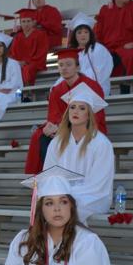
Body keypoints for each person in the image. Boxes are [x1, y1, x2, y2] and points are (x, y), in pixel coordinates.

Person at [24, 49, 107, 174]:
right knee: (40, 136)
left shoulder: (91, 86)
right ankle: (50, 177)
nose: (64, 68)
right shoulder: (57, 89)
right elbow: (53, 115)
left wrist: (65, 128)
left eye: (68, 64)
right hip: (63, 128)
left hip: (88, 128)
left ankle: (67, 175)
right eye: (61, 65)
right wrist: (52, 127)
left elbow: (96, 116)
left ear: (77, 67)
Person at [42, 85, 114, 223]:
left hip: (92, 197)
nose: (76, 111)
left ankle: (73, 243)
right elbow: (48, 175)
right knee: (47, 204)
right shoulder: (57, 142)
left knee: (70, 207)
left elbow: (98, 185)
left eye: (82, 108)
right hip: (61, 195)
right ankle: (51, 244)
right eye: (72, 107)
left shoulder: (101, 143)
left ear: (89, 115)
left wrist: (68, 195)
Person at [65, 13, 113, 97]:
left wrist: (78, 80)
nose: (83, 35)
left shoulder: (98, 49)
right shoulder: (72, 53)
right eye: (79, 32)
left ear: (90, 34)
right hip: (76, 89)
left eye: (86, 32)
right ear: (75, 36)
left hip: (97, 88)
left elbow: (100, 73)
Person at [10, 8, 50, 88]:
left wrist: (27, 62)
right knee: (15, 69)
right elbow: (13, 53)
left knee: (28, 69)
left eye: (28, 21)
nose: (26, 24)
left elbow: (42, 52)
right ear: (20, 23)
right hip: (21, 64)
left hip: (36, 62)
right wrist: (18, 62)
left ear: (33, 22)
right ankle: (17, 94)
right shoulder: (18, 37)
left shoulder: (41, 34)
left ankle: (28, 91)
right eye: (23, 21)